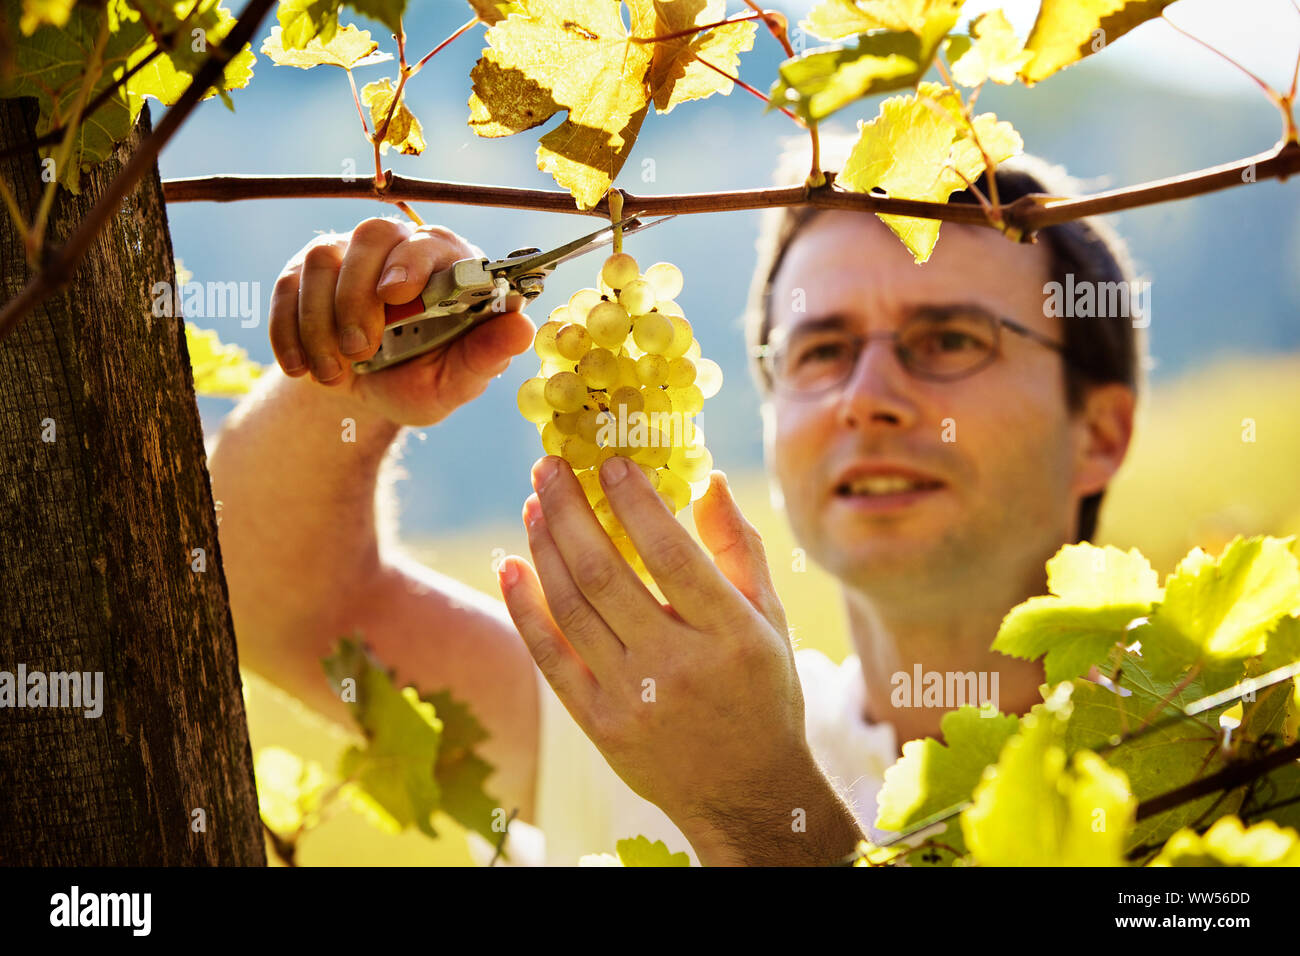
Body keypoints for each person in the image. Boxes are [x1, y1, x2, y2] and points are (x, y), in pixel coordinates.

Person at [208, 135, 1144, 866]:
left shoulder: (1240, 750)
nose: (865, 395)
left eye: (948, 340)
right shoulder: (664, 725)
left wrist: (751, 801)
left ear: (1099, 430)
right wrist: (347, 391)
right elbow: (285, 612)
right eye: (821, 351)